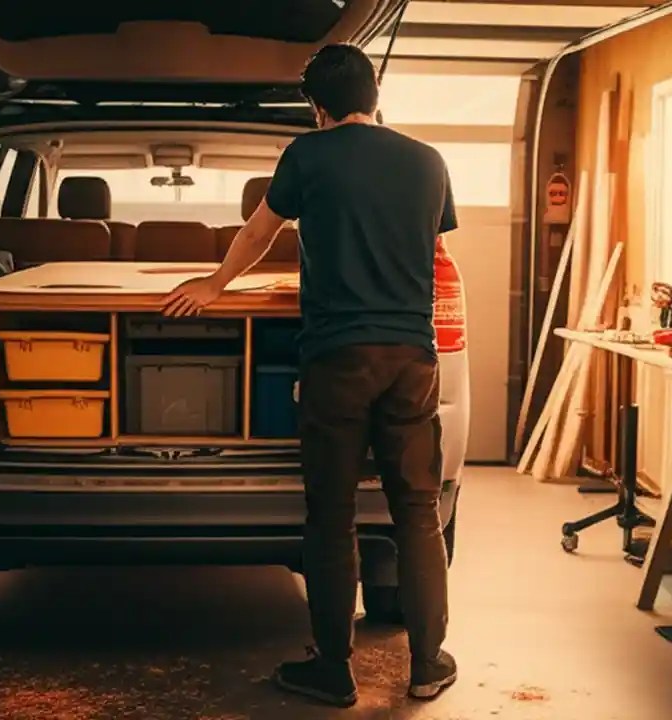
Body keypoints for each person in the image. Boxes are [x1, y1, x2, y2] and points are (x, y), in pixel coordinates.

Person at [162, 43, 458, 707]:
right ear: (375, 95)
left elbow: (259, 232)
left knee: (331, 515)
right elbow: (432, 249)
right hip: (413, 359)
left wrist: (214, 283)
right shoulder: (428, 160)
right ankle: (426, 664)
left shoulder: (308, 155)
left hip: (337, 358)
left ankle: (333, 669)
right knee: (417, 511)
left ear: (317, 107)